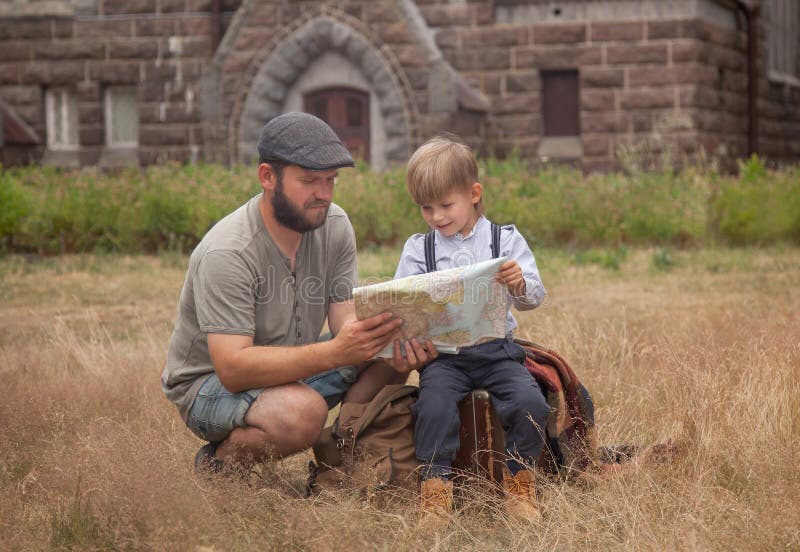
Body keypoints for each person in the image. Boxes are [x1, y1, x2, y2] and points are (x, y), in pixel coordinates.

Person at [161, 112, 436, 473]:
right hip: (208, 388)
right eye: (308, 181)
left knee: (383, 343)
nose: (323, 194)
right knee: (303, 413)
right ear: (267, 177)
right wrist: (338, 351)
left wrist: (381, 339)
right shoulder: (228, 252)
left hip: (291, 365)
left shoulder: (334, 225)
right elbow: (233, 368)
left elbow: (342, 314)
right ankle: (220, 466)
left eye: (330, 181)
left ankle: (342, 458)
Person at [393, 135, 549, 524]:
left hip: (497, 352)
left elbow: (534, 297)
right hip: (445, 359)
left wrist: (518, 283)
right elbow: (403, 302)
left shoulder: (504, 240)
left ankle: (519, 485)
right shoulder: (419, 249)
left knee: (530, 402)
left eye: (446, 205)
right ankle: (435, 491)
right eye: (426, 208)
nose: (437, 217)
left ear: (474, 193)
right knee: (432, 407)